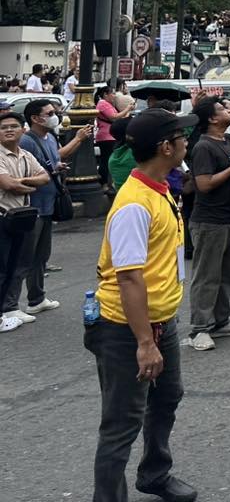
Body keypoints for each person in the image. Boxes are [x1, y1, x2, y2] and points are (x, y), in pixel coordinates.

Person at [86, 107, 199, 502]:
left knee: (167, 397)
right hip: (126, 328)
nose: (187, 142)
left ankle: (154, 473)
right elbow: (129, 277)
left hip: (159, 320)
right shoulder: (134, 204)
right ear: (166, 147)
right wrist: (144, 342)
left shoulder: (159, 187)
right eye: (182, 138)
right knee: (121, 423)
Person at [185, 96, 230, 352]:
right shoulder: (204, 147)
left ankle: (221, 321)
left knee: (226, 273)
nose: (229, 109)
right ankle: (199, 328)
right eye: (222, 108)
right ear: (212, 118)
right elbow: (203, 184)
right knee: (207, 276)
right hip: (210, 221)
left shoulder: (228, 139)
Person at [20, 98, 92, 317]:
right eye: (50, 113)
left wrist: (57, 167)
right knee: (25, 256)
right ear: (35, 118)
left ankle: (37, 298)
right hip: (33, 205)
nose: (56, 116)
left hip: (48, 202)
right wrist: (78, 139)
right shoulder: (27, 141)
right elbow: (26, 170)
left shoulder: (50, 137)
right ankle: (10, 306)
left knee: (41, 255)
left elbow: (54, 159)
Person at [0, 108, 48, 331]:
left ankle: (8, 308)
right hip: (2, 216)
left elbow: (44, 177)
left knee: (17, 264)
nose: (8, 130)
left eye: (13, 126)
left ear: (22, 130)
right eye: (3, 128)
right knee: (2, 267)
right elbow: (8, 184)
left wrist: (22, 182)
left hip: (20, 217)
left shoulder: (25, 155)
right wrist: (28, 184)